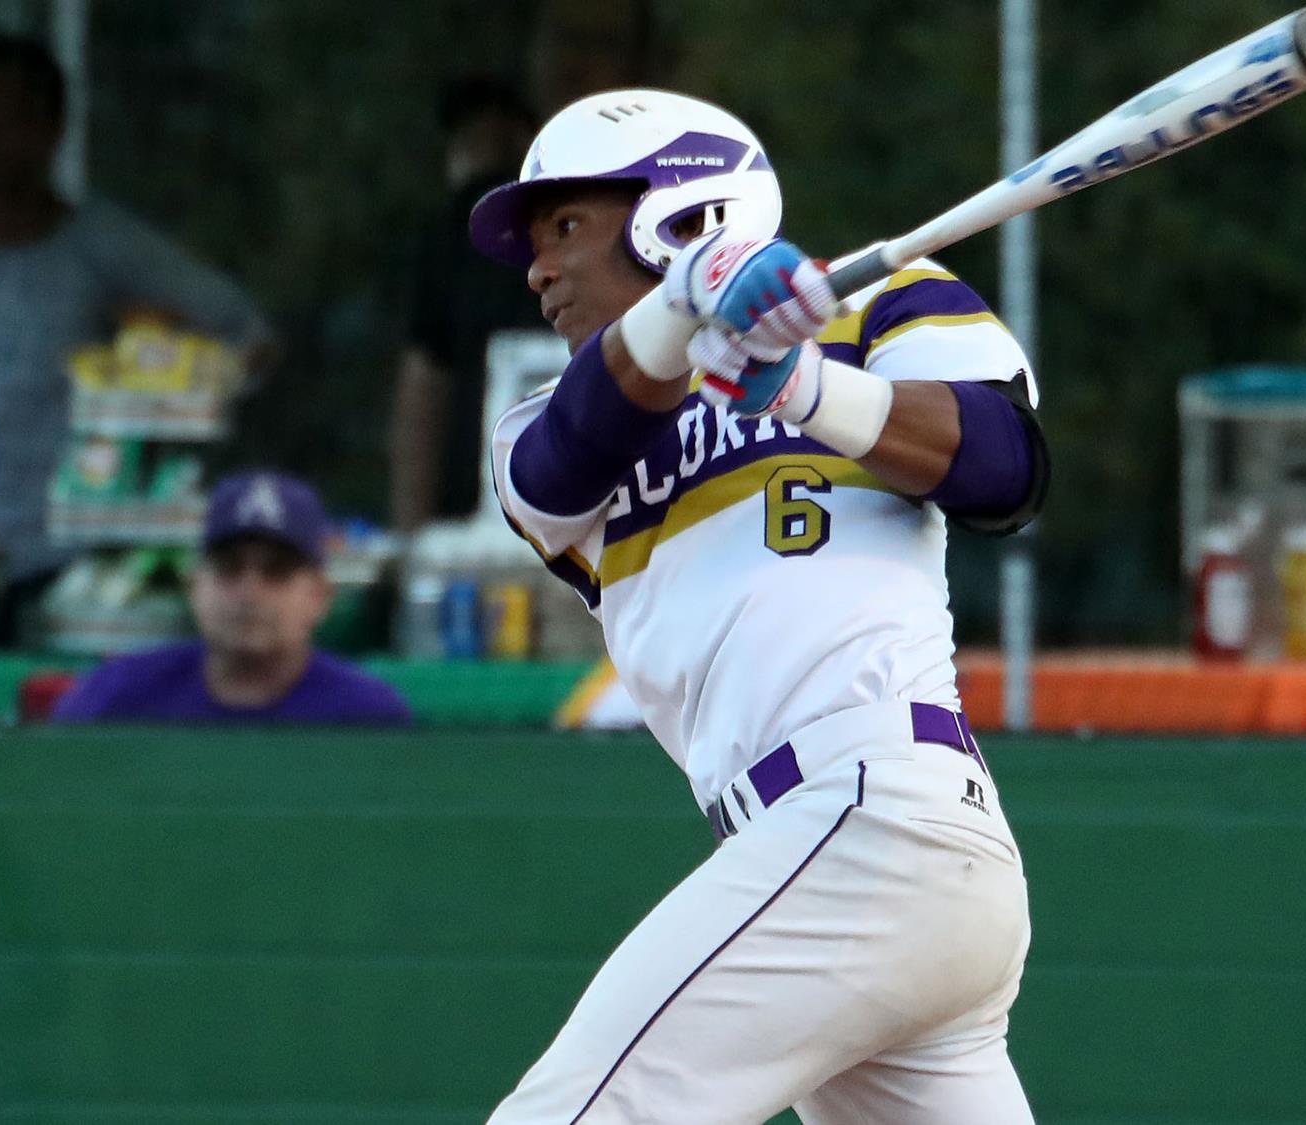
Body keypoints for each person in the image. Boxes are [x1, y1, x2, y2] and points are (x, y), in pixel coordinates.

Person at [470, 90, 1050, 1122]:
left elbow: (1007, 471)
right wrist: (688, 298)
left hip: (876, 807)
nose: (537, 267)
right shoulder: (537, 425)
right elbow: (567, 466)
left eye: (566, 225)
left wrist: (802, 387)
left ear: (678, 209)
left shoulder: (878, 307)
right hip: (809, 853)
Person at [0, 36, 273, 640]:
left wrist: (165, 380)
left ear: (52, 128)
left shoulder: (100, 247)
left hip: (65, 566)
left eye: (7, 117)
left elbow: (245, 331)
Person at [52, 471, 409, 724]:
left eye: (276, 571)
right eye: (229, 568)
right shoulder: (117, 700)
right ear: (194, 587)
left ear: (319, 596)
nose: (249, 592)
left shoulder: (366, 715)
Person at [387, 77, 545, 532]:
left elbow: (422, 393)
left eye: (487, 137)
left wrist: (412, 539)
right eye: (470, 137)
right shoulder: (452, 236)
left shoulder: (454, 233)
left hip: (479, 520)